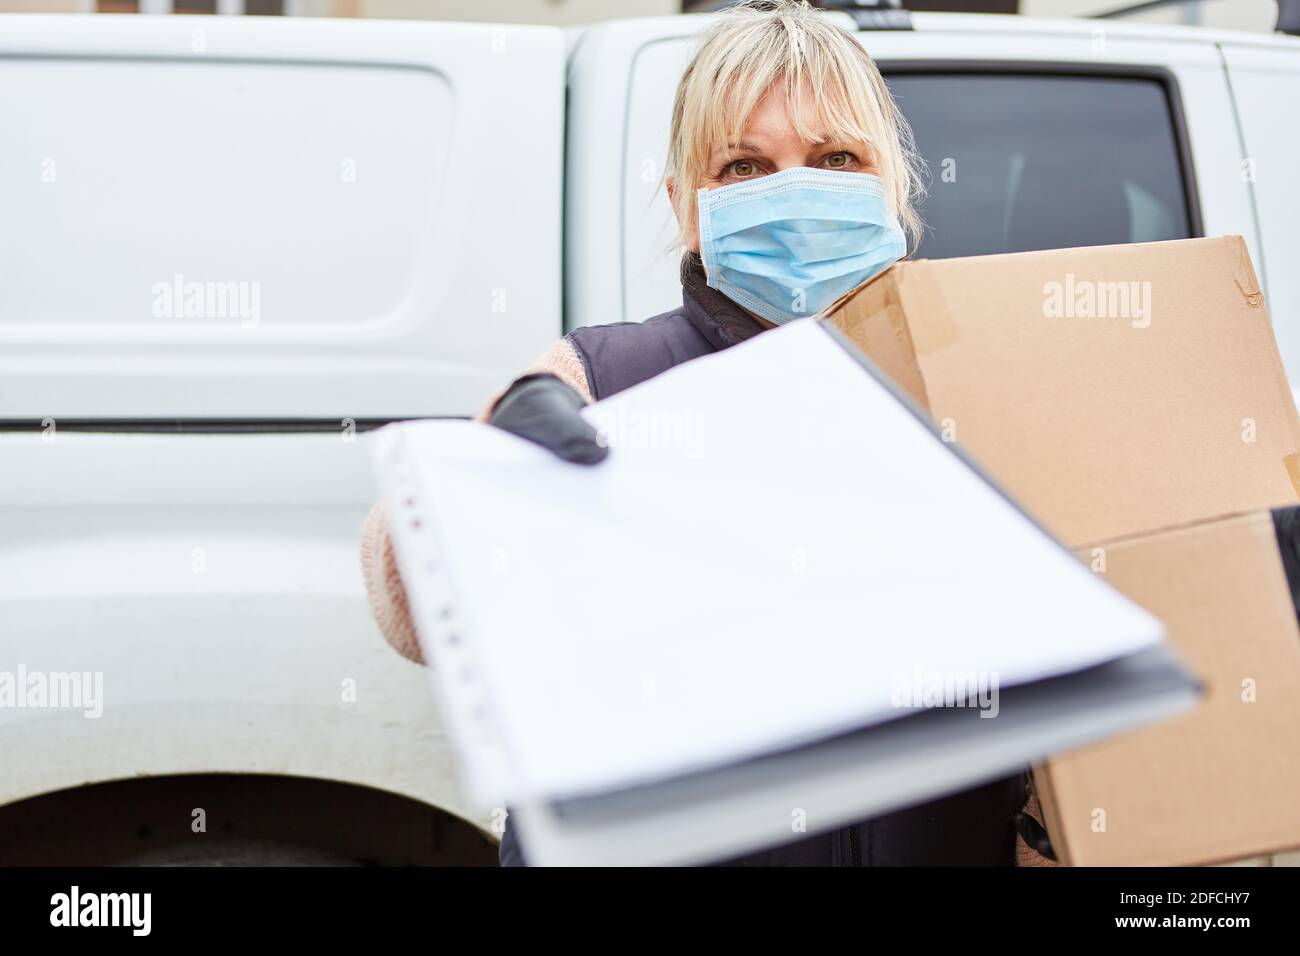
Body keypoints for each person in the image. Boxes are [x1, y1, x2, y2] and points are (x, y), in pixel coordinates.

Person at [361, 0, 1027, 867]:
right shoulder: (605, 379)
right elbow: (410, 610)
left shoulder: (981, 390)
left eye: (835, 159)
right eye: (745, 168)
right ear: (688, 208)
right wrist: (495, 465)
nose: (793, 193)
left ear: (889, 191)